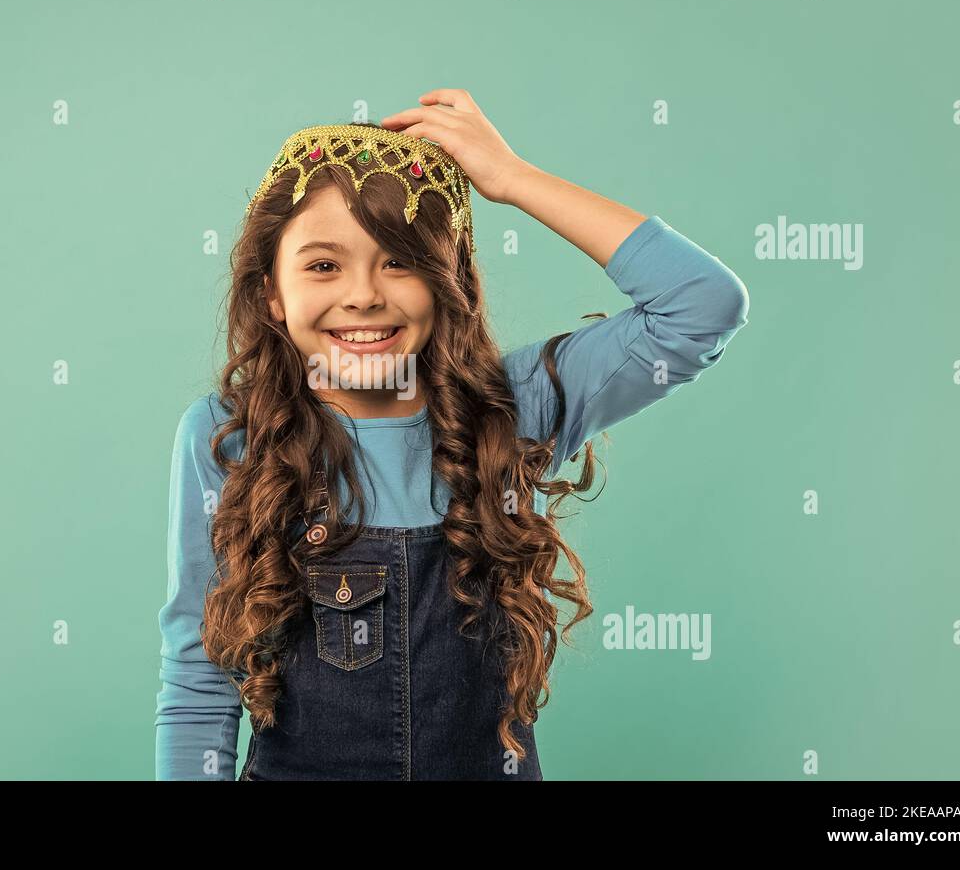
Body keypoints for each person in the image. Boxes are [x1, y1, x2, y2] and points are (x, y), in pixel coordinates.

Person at [156, 88, 750, 780]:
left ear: (452, 282)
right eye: (323, 264)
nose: (364, 294)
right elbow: (198, 676)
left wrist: (512, 179)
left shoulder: (514, 405)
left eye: (400, 260)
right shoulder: (227, 437)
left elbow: (703, 306)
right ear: (272, 294)